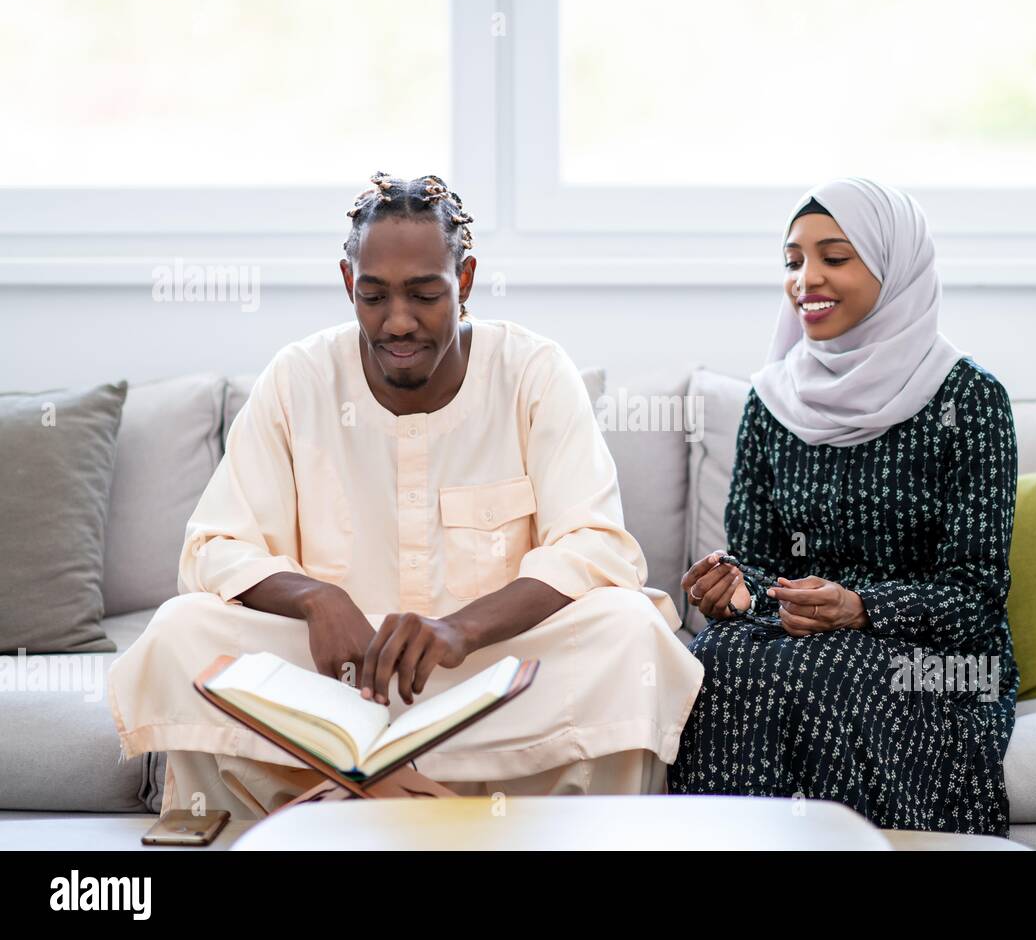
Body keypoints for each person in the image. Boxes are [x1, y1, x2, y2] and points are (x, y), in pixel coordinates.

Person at [108, 171, 704, 819]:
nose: (398, 322)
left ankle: (379, 802)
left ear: (465, 281)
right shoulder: (299, 378)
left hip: (487, 673)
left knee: (629, 630)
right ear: (347, 285)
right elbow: (216, 547)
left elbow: (594, 546)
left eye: (424, 295)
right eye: (374, 296)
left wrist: (461, 628)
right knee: (183, 629)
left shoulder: (532, 371)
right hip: (334, 682)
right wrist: (314, 599)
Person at [667, 178, 1020, 837]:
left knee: (827, 674)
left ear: (894, 267)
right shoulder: (771, 403)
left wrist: (861, 609)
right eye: (793, 261)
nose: (807, 279)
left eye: (834, 257)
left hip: (934, 655)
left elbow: (976, 599)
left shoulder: (969, 401)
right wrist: (735, 594)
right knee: (712, 658)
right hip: (790, 638)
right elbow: (759, 568)